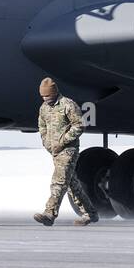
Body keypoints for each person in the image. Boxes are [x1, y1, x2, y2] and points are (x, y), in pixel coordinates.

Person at [34, 77, 99, 227]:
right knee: (71, 185)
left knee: (59, 181)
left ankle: (49, 213)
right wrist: (47, 143)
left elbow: (80, 125)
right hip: (54, 151)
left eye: (48, 96)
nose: (45, 99)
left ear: (55, 93)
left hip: (68, 150)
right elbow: (42, 126)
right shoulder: (44, 108)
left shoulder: (68, 105)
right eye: (43, 96)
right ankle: (91, 213)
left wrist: (63, 141)